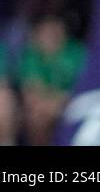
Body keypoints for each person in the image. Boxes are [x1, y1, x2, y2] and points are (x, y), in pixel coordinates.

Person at [18, 14, 85, 145]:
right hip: (45, 107)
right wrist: (52, 102)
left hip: (75, 104)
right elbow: (31, 94)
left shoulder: (79, 53)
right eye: (44, 32)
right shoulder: (31, 55)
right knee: (35, 117)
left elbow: (85, 89)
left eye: (53, 31)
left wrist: (58, 101)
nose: (49, 36)